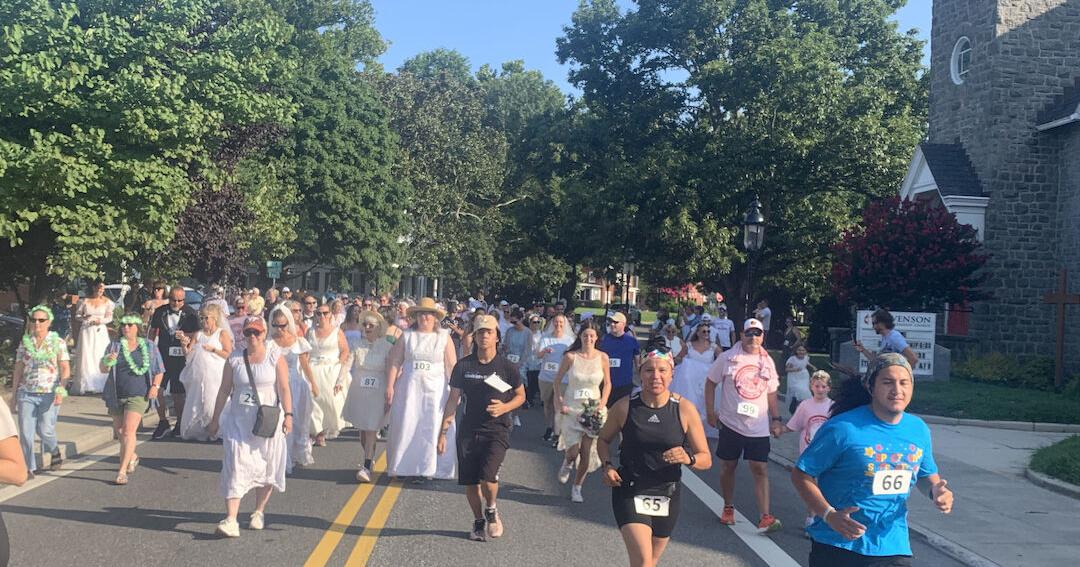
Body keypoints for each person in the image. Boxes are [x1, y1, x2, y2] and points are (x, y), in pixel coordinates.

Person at [791, 354, 953, 566]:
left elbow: (925, 475)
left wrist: (936, 492)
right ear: (871, 387)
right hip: (839, 544)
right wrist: (829, 515)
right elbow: (802, 474)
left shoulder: (918, 429)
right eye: (887, 382)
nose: (897, 390)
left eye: (904, 382)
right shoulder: (843, 428)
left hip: (891, 544)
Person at [598, 338, 712, 567]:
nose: (655, 376)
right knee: (642, 561)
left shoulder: (684, 409)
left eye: (662, 370)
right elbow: (603, 439)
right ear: (641, 373)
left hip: (667, 492)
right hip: (630, 489)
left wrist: (688, 458)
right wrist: (607, 465)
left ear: (671, 374)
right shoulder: (625, 407)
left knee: (650, 562)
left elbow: (705, 458)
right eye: (649, 370)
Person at [439, 314, 525, 541]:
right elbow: (452, 400)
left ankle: (492, 509)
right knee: (470, 481)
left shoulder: (507, 367)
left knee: (488, 477)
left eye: (489, 332)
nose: (485, 336)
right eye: (480, 332)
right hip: (469, 429)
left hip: (497, 429)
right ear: (474, 336)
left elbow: (520, 396)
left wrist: (505, 407)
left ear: (497, 336)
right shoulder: (464, 366)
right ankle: (478, 520)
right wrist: (443, 431)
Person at [207, 317, 292, 537]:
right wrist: (215, 419)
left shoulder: (275, 357)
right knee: (234, 463)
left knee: (266, 465)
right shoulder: (235, 359)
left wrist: (289, 415)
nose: (252, 337)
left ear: (264, 334)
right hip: (238, 422)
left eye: (256, 332)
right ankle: (231, 519)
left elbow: (283, 388)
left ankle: (258, 512)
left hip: (266, 422)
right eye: (248, 333)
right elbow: (225, 390)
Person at [704, 318, 783, 533]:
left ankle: (765, 516)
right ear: (741, 335)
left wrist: (776, 419)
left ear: (762, 336)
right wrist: (710, 411)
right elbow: (710, 382)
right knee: (729, 466)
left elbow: (772, 392)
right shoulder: (728, 357)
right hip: (731, 423)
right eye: (749, 333)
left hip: (758, 426)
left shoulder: (767, 361)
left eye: (757, 333)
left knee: (760, 468)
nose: (753, 337)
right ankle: (728, 507)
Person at [385, 297, 458, 481]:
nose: (425, 317)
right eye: (422, 314)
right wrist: (390, 386)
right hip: (409, 389)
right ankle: (403, 466)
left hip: (435, 391)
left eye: (429, 314)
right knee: (407, 425)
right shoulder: (407, 336)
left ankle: (427, 469)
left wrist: (456, 391)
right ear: (416, 316)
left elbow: (451, 366)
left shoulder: (444, 337)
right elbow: (395, 361)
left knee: (430, 426)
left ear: (435, 317)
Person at [102, 314, 165, 484]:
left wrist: (155, 387)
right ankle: (132, 455)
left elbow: (159, 370)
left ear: (138, 327)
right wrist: (108, 361)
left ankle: (121, 471)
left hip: (139, 393)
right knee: (120, 432)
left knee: (129, 431)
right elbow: (102, 368)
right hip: (116, 393)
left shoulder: (148, 346)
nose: (126, 328)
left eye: (130, 325)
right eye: (123, 325)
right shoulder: (114, 346)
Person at [553, 319, 611, 502]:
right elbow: (557, 381)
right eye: (585, 335)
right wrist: (559, 400)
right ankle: (567, 462)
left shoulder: (603, 357)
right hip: (572, 408)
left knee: (586, 451)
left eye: (592, 336)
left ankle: (577, 487)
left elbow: (608, 383)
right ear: (580, 336)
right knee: (573, 452)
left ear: (596, 338)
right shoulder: (571, 357)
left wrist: (602, 404)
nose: (589, 339)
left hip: (592, 410)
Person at [11, 305, 70, 477]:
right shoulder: (25, 341)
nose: (37, 323)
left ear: (49, 322)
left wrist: (61, 390)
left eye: (41, 320)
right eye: (34, 319)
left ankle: (54, 450)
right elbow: (18, 368)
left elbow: (65, 368)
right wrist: (14, 395)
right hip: (26, 392)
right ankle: (29, 467)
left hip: (49, 392)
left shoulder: (58, 342)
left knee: (45, 430)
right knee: (26, 433)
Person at [342, 310, 393, 482]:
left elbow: (389, 370)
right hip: (359, 390)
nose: (367, 328)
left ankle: (366, 465)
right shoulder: (357, 344)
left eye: (371, 325)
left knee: (371, 428)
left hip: (377, 391)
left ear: (379, 328)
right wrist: (339, 380)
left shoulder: (386, 346)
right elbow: (347, 362)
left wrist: (391, 389)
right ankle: (369, 455)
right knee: (363, 431)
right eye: (365, 325)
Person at [781, 370, 834, 530]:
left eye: (823, 386)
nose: (820, 389)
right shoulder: (805, 405)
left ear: (828, 388)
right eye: (817, 386)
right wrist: (779, 430)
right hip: (808, 453)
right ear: (811, 386)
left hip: (828, 453)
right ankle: (811, 517)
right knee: (812, 487)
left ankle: (826, 515)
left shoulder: (833, 406)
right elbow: (794, 424)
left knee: (826, 486)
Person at [268, 305, 316, 474]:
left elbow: (305, 366)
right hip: (276, 385)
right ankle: (282, 458)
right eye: (276, 325)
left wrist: (314, 385)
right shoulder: (269, 342)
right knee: (280, 422)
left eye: (282, 325)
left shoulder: (298, 341)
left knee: (298, 422)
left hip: (296, 384)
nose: (279, 329)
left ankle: (296, 453)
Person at [148, 286, 200, 439]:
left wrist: (185, 336)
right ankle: (163, 421)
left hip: (180, 356)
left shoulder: (190, 313)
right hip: (163, 354)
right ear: (168, 298)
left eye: (180, 300)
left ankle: (179, 423)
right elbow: (153, 331)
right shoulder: (161, 311)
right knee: (157, 388)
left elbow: (196, 334)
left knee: (178, 392)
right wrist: (149, 349)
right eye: (173, 300)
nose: (176, 303)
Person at [178, 304, 233, 441]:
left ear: (214, 318)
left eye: (206, 318)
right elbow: (188, 355)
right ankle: (199, 430)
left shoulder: (221, 333)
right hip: (199, 375)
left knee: (212, 400)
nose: (203, 321)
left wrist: (213, 350)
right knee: (198, 401)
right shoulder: (199, 334)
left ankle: (217, 428)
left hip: (215, 374)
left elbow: (229, 354)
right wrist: (184, 345)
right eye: (201, 318)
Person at [307, 302, 350, 446]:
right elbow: (306, 353)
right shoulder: (310, 331)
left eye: (325, 313)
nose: (322, 316)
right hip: (312, 368)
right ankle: (317, 432)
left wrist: (339, 364)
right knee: (312, 400)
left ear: (330, 315)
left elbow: (345, 350)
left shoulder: (337, 331)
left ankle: (325, 428)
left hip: (331, 368)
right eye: (319, 313)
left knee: (329, 400)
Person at [671, 323, 723, 438]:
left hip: (706, 377)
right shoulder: (689, 345)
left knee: (705, 401)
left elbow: (722, 358)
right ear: (698, 333)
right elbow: (680, 357)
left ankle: (704, 427)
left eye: (708, 331)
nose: (706, 334)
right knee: (691, 401)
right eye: (704, 331)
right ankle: (688, 426)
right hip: (690, 379)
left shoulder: (713, 346)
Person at [535, 314, 575, 445]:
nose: (558, 325)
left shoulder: (569, 340)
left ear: (565, 324)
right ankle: (550, 427)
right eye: (556, 322)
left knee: (559, 405)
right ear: (553, 323)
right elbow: (538, 355)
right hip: (546, 376)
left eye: (561, 323)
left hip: (562, 378)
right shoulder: (545, 338)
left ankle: (558, 432)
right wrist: (544, 351)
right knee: (547, 403)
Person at [73, 280, 114, 394]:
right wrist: (85, 318)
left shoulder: (107, 302)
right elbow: (77, 316)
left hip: (100, 330)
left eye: (102, 288)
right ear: (94, 288)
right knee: (87, 355)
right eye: (99, 288)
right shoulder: (84, 301)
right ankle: (86, 384)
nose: (101, 290)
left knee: (99, 354)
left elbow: (110, 317)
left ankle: (101, 383)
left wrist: (100, 321)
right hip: (87, 330)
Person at [599, 311, 641, 409]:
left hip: (624, 385)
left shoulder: (631, 341)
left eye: (616, 322)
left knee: (622, 412)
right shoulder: (603, 340)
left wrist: (641, 381)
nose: (612, 324)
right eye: (611, 322)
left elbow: (638, 363)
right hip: (605, 384)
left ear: (623, 324)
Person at [854, 309, 919, 369]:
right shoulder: (885, 338)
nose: (873, 327)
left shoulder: (894, 337)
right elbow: (877, 362)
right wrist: (863, 350)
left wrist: (903, 375)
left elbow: (913, 358)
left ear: (882, 323)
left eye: (874, 323)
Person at [502, 309, 532, 415]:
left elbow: (528, 350)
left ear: (521, 320)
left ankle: (516, 414)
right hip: (508, 361)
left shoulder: (528, 333)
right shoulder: (510, 331)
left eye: (515, 322)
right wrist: (504, 349)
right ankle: (507, 411)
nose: (513, 324)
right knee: (507, 388)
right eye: (512, 322)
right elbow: (505, 345)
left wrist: (520, 363)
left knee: (518, 390)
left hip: (521, 363)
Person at [785, 344, 818, 414]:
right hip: (794, 377)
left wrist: (812, 367)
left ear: (805, 351)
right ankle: (794, 407)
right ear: (796, 351)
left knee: (805, 391)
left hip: (804, 377)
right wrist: (795, 369)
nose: (801, 352)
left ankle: (803, 409)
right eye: (799, 350)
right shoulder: (792, 359)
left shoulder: (806, 358)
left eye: (803, 350)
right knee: (798, 391)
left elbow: (807, 363)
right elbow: (787, 369)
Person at [523, 315, 544, 406]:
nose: (536, 324)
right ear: (530, 323)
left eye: (538, 322)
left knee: (535, 381)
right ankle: (527, 400)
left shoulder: (542, 335)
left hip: (538, 361)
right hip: (527, 360)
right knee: (528, 380)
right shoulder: (526, 333)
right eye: (534, 322)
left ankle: (532, 398)